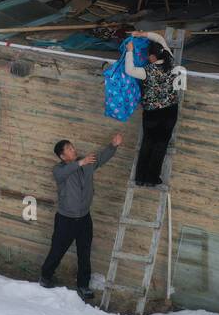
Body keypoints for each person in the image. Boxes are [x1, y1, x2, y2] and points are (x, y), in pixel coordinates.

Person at [39, 132, 123, 299]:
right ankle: (45, 276)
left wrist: (113, 146)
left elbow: (100, 158)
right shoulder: (59, 170)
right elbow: (65, 172)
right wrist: (80, 163)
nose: (73, 149)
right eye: (69, 149)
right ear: (62, 156)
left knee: (84, 253)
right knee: (57, 250)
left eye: (72, 147)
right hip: (65, 220)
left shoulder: (86, 162)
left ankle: (83, 285)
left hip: (84, 218)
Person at [125, 30, 181, 187]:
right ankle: (152, 178)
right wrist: (142, 34)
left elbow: (129, 70)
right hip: (170, 111)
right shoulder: (171, 60)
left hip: (152, 113)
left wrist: (130, 51)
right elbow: (160, 39)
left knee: (148, 142)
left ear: (153, 57)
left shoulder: (147, 71)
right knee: (161, 145)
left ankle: (140, 177)